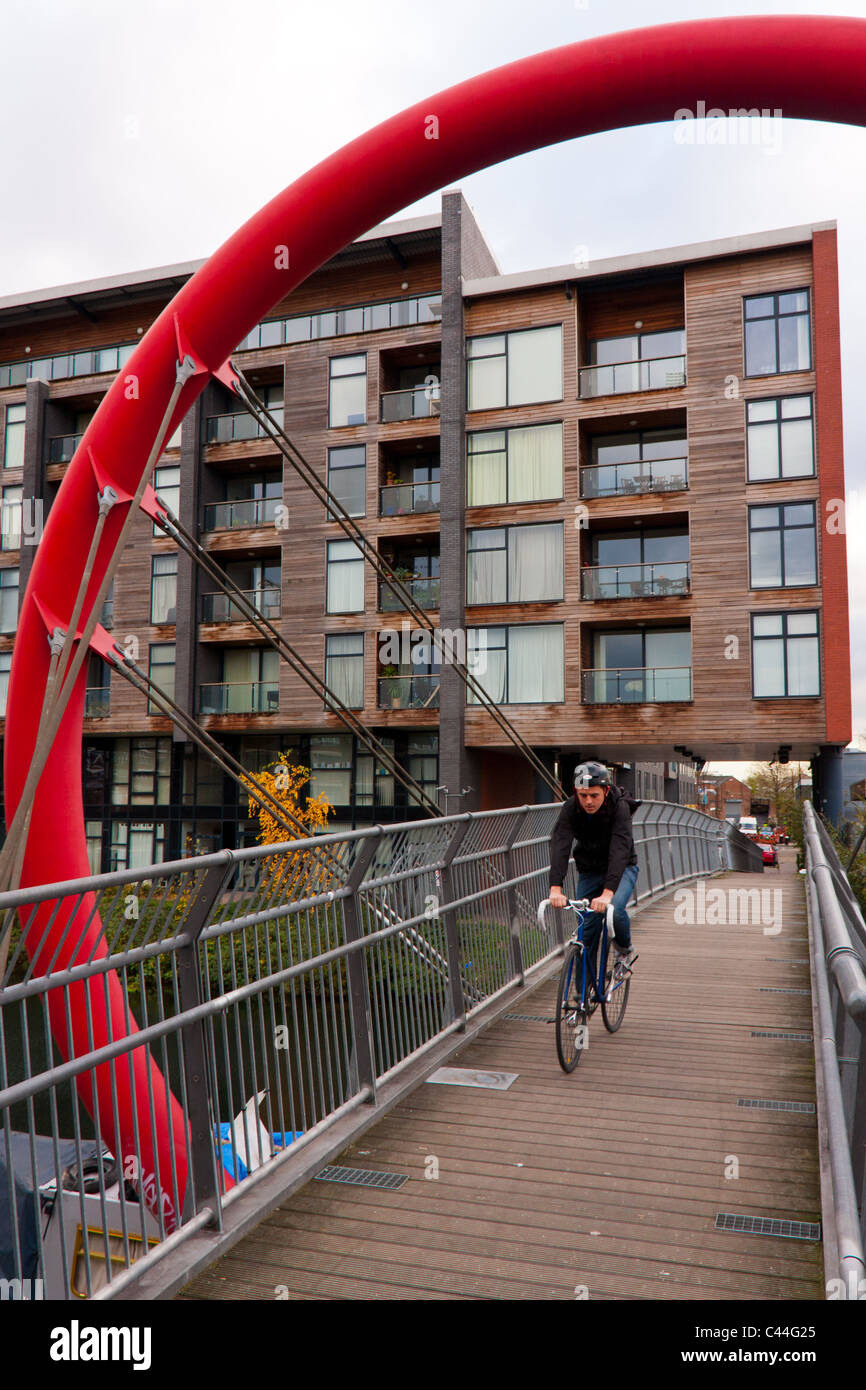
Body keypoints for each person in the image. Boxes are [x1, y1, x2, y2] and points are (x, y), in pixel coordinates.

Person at [548, 760, 639, 978]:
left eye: (594, 796)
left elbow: (619, 850)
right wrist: (555, 887)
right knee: (586, 932)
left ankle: (624, 950)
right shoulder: (570, 808)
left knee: (614, 909)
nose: (588, 801)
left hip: (622, 867)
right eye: (583, 795)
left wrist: (608, 893)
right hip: (590, 869)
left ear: (606, 791)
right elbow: (560, 845)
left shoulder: (620, 807)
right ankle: (582, 998)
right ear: (576, 792)